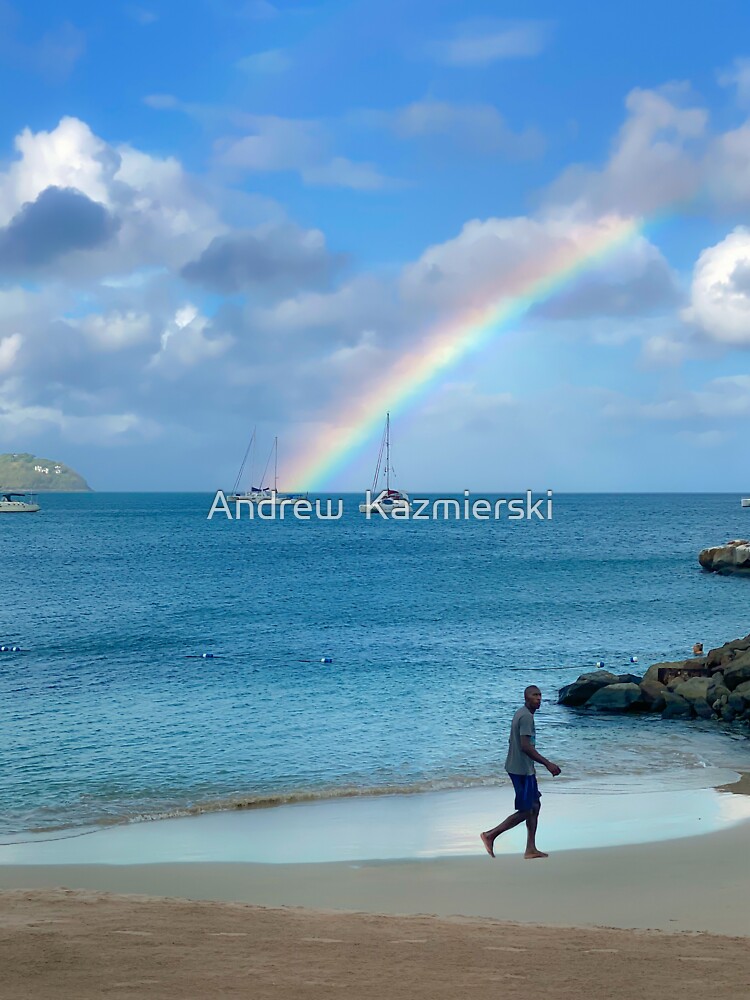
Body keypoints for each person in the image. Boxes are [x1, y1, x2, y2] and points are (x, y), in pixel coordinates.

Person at [480, 685, 561, 860]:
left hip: (524, 768)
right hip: (520, 770)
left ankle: (530, 849)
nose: (538, 698)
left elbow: (513, 741)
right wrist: (548, 764)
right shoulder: (526, 717)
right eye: (534, 695)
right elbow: (525, 746)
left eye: (540, 695)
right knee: (526, 810)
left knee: (535, 805)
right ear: (526, 698)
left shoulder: (523, 713)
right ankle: (490, 835)